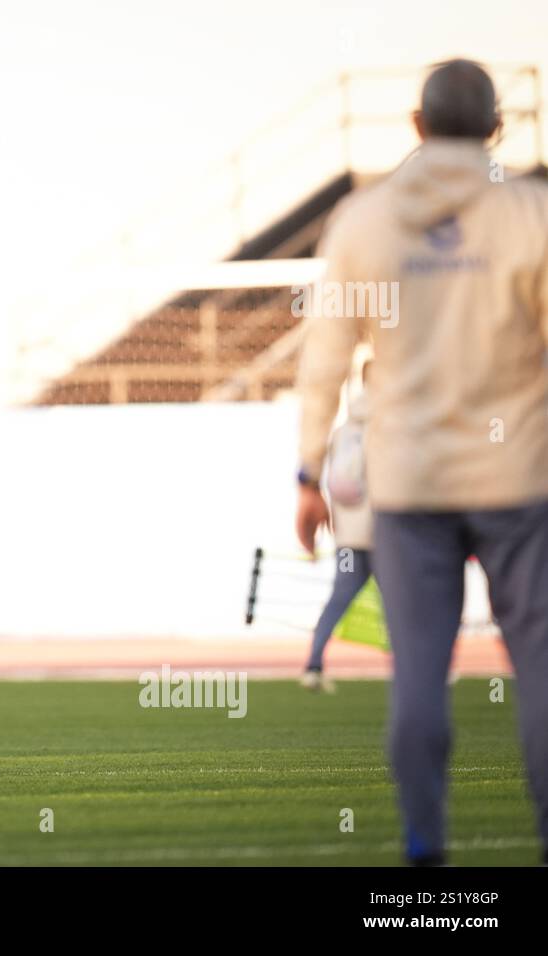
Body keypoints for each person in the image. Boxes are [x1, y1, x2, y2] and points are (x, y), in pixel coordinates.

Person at [296, 59, 548, 865]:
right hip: (520, 482)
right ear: (497, 129)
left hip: (411, 489)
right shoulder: (532, 214)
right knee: (540, 667)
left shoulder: (364, 222)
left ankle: (423, 853)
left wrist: (308, 474)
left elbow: (324, 362)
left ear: (416, 125)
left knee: (418, 673)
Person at [302, 367, 372, 692]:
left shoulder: (343, 430)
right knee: (403, 603)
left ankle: (313, 664)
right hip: (386, 532)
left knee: (338, 598)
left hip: (349, 535)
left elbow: (331, 481)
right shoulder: (393, 423)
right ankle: (425, 672)